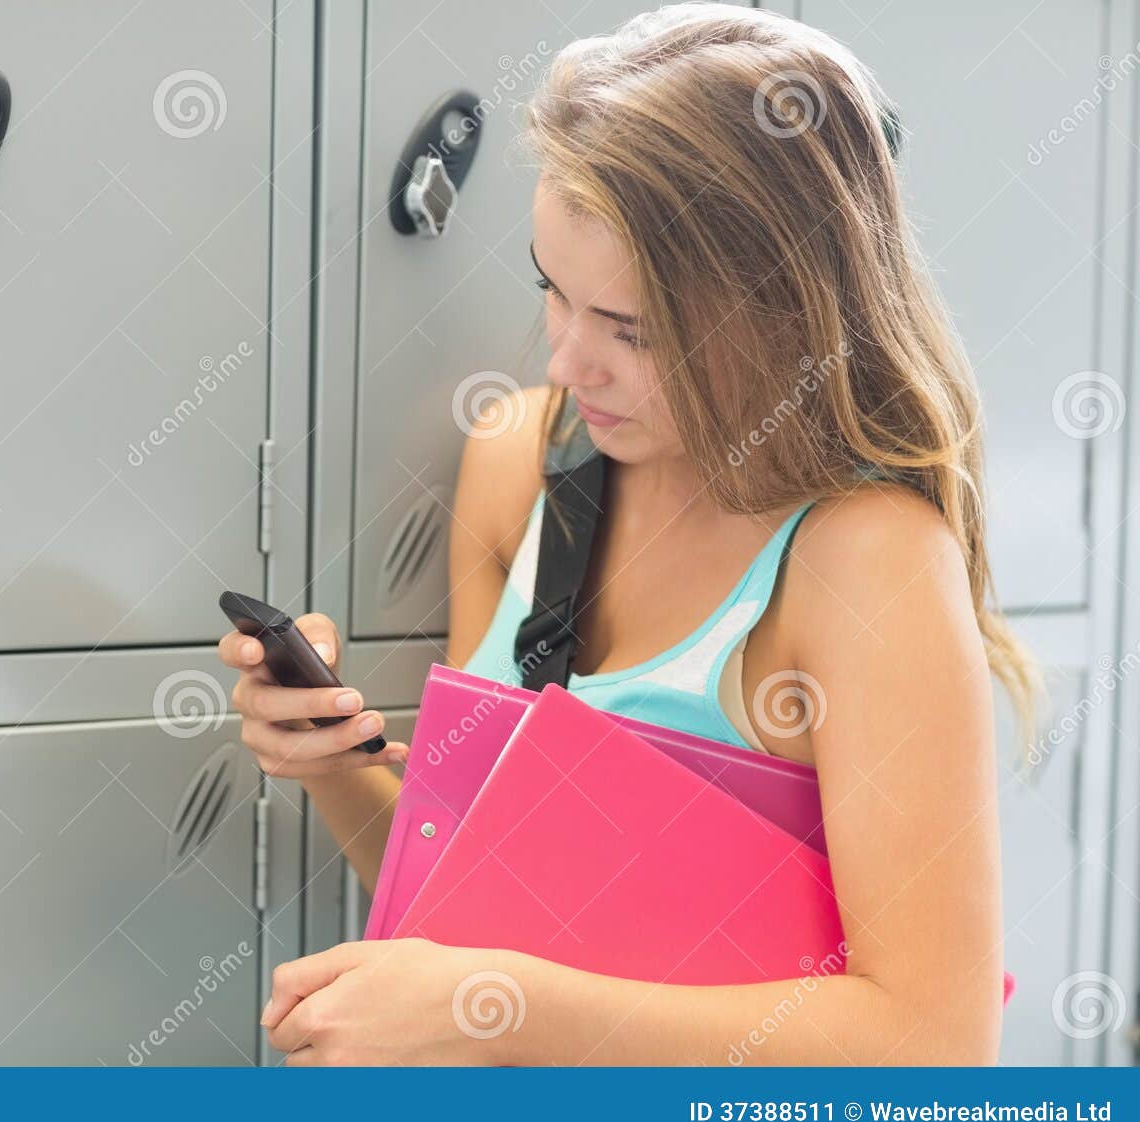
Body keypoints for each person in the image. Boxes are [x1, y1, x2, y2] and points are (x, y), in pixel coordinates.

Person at [218, 3, 1035, 1065]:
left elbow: (932, 1039)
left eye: (632, 330)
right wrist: (331, 762)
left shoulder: (865, 556)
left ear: (790, 313)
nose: (565, 363)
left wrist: (494, 999)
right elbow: (475, 885)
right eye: (552, 293)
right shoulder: (523, 461)